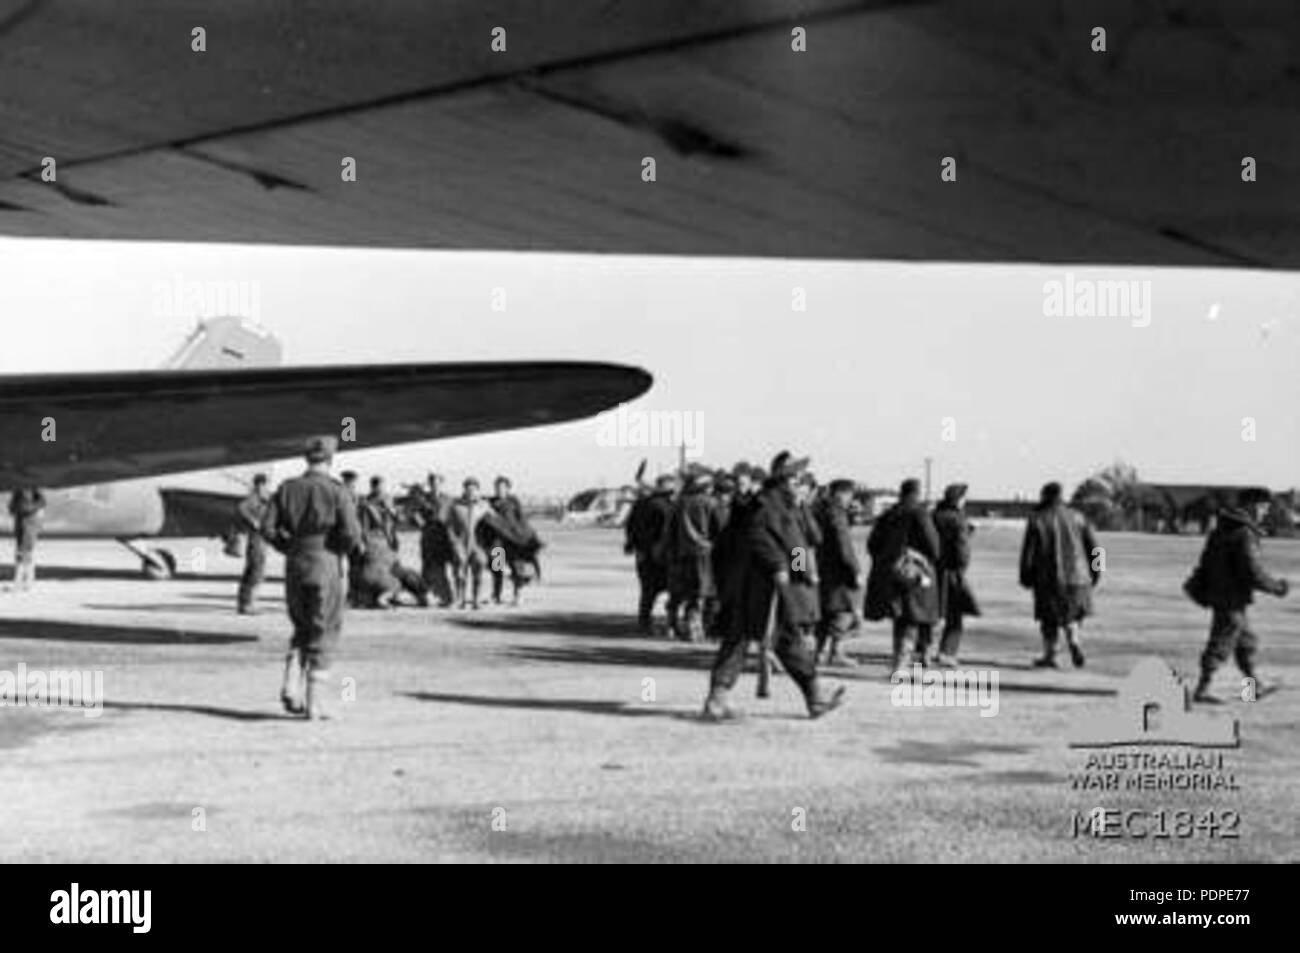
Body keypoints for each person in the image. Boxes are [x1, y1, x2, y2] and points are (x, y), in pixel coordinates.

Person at [702, 451, 846, 721]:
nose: (799, 484)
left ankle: (717, 701)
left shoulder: (777, 504)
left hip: (761, 586)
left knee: (743, 640)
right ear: (784, 480)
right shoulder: (769, 505)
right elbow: (772, 540)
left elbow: (797, 542)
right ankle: (815, 698)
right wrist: (782, 567)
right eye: (796, 479)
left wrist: (799, 568)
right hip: (764, 589)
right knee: (783, 641)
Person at [261, 436, 363, 720]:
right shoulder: (337, 491)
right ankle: (315, 703)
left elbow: (267, 528)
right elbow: (352, 534)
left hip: (295, 564)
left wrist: (290, 547)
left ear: (306, 459)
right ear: (330, 460)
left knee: (301, 625)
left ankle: (291, 685)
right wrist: (336, 551)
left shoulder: (286, 489)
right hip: (326, 563)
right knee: (325, 628)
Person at [1187, 495, 1289, 703]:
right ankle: (1202, 689)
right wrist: (1277, 587)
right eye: (1263, 507)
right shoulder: (1244, 534)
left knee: (1245, 644)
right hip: (1231, 599)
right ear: (1250, 506)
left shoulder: (1220, 530)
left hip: (1222, 595)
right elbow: (1251, 570)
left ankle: (1252, 689)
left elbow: (1205, 563)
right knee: (1221, 643)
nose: (1265, 512)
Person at [1018, 481, 1100, 669]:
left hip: (1048, 578)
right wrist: (1097, 572)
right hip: (1079, 577)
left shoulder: (1037, 519)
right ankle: (1074, 640)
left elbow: (1028, 552)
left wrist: (1025, 576)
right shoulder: (1079, 517)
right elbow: (1097, 549)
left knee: (1049, 619)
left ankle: (1051, 654)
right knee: (1073, 615)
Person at [864, 478, 941, 675]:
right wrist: (800, 570)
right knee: (913, 617)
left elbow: (872, 545)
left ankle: (905, 662)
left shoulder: (888, 514)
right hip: (914, 572)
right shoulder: (919, 513)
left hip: (891, 574)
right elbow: (934, 547)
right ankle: (904, 664)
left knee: (902, 619)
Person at [666, 470, 722, 642]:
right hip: (706, 554)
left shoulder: (679, 503)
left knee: (692, 593)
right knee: (709, 592)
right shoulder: (711, 503)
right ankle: (704, 628)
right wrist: (798, 570)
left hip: (684, 554)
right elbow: (719, 529)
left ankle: (691, 626)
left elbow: (671, 532)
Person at [358, 476, 429, 608]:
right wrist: (365, 544)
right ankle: (383, 595)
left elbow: (401, 519)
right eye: (378, 486)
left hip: (390, 544)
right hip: (375, 544)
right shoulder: (366, 504)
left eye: (383, 486)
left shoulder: (389, 500)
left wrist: (391, 510)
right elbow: (363, 528)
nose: (381, 489)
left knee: (399, 572)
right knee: (382, 573)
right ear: (373, 487)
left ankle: (408, 594)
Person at [814, 479, 863, 667]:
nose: (851, 499)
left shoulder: (818, 510)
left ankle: (818, 652)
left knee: (826, 611)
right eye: (849, 495)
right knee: (843, 611)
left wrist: (800, 570)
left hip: (819, 568)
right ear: (840, 493)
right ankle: (836, 651)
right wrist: (855, 569)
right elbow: (844, 545)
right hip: (837, 571)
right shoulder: (836, 513)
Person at [931, 482, 980, 666]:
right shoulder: (958, 519)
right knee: (955, 614)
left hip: (933, 569)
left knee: (930, 612)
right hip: (952, 571)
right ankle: (947, 652)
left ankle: (923, 650)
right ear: (959, 499)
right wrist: (961, 567)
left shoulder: (934, 515)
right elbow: (961, 549)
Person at [624, 473, 676, 634]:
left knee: (647, 590)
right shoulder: (667, 506)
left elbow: (630, 527)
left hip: (643, 553)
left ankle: (644, 622)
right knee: (673, 590)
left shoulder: (640, 504)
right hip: (663, 554)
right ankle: (671, 625)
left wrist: (632, 545)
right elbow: (669, 531)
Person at [485, 476, 543, 606]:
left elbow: (522, 519)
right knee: (497, 568)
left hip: (513, 540)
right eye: (497, 487)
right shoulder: (490, 502)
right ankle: (496, 595)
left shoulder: (513, 501)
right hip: (497, 541)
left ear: (508, 488)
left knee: (517, 567)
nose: (499, 490)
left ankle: (518, 595)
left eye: (502, 487)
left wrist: (528, 535)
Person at [447, 477, 492, 609]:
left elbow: (498, 524)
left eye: (474, 490)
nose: (471, 492)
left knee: (482, 570)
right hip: (461, 543)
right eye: (468, 489)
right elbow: (449, 527)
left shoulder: (484, 506)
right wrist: (454, 543)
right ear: (464, 490)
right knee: (460, 573)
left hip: (478, 545)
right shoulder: (456, 506)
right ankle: (459, 599)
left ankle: (477, 599)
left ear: (478, 491)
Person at [416, 472, 456, 607]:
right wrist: (419, 522)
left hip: (443, 536)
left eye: (437, 482)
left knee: (441, 567)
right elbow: (414, 513)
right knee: (426, 567)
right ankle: (424, 596)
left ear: (441, 483)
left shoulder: (448, 499)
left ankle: (446, 597)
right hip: (428, 535)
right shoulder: (423, 498)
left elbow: (454, 516)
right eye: (432, 483)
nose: (434, 485)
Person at [235, 474, 271, 614]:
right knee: (256, 570)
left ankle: (246, 603)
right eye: (263, 484)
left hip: (262, 538)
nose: (265, 487)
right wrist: (253, 521)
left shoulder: (263, 498)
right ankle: (247, 604)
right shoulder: (253, 498)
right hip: (256, 538)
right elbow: (242, 508)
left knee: (255, 570)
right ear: (259, 484)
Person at [8, 486, 46, 591]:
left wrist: (33, 509)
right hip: (20, 519)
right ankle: (21, 580)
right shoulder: (17, 487)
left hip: (30, 520)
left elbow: (42, 501)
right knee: (20, 549)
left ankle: (26, 580)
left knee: (26, 550)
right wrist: (12, 509)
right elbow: (13, 503)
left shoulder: (33, 486)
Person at [339, 470, 364, 606]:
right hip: (343, 536)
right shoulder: (340, 494)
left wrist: (360, 539)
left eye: (353, 482)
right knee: (341, 568)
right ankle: (342, 596)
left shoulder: (356, 496)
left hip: (354, 536)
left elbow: (357, 519)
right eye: (350, 481)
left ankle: (352, 595)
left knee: (354, 567)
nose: (352, 484)